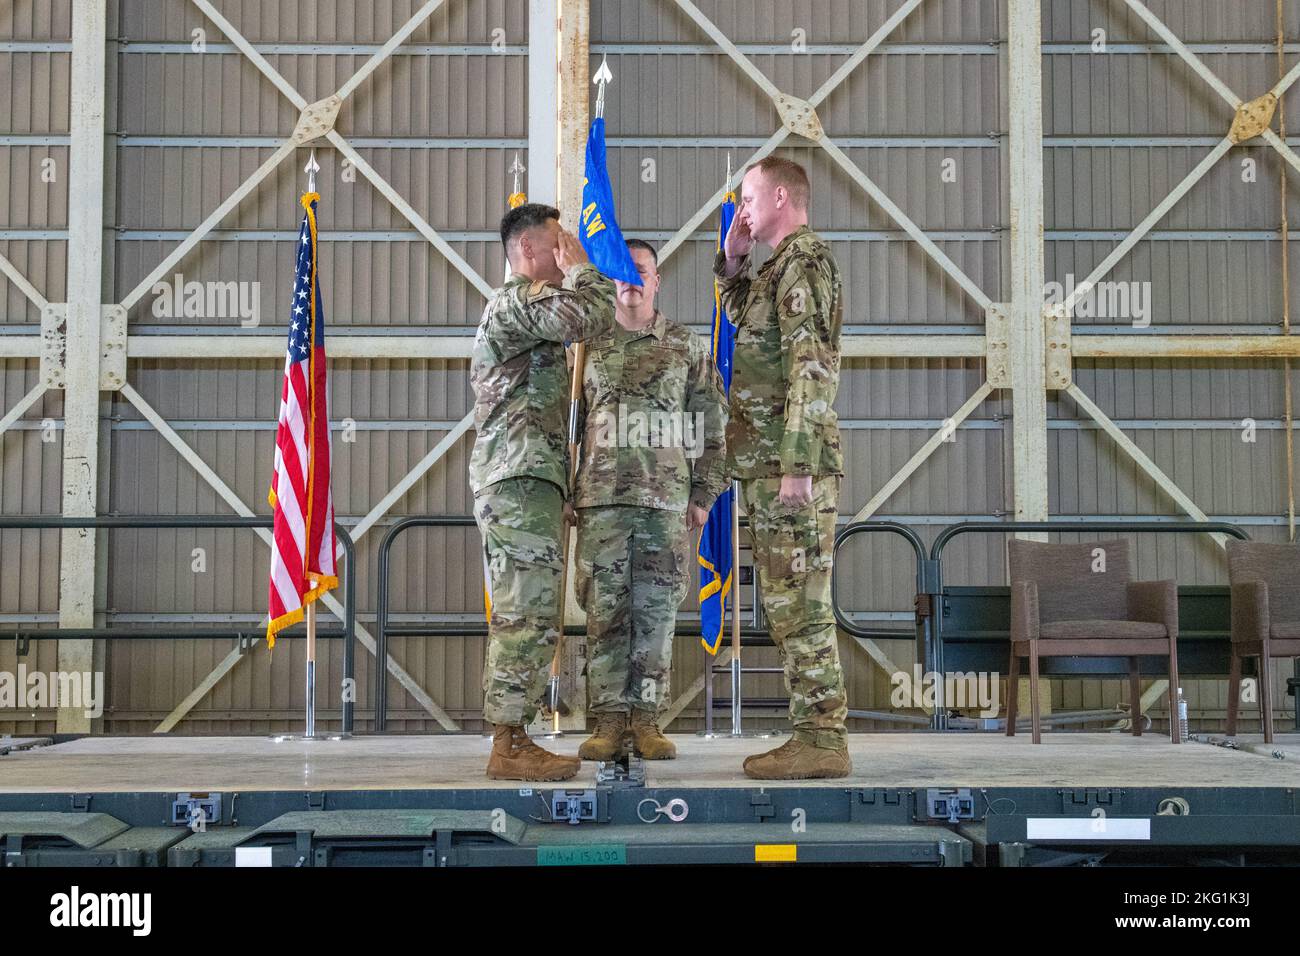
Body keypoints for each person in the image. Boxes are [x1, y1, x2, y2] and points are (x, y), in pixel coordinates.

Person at [714, 157, 851, 779]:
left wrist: (798, 464)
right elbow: (744, 318)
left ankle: (822, 740)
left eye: (746, 199)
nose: (742, 208)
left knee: (800, 603)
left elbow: (810, 365)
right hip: (769, 463)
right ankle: (812, 734)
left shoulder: (806, 262)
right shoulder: (776, 268)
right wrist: (734, 258)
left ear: (778, 195)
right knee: (785, 601)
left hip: (791, 467)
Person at [469, 203, 615, 780]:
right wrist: (583, 270)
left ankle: (514, 734)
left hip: (534, 481)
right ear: (528, 251)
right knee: (524, 613)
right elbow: (595, 316)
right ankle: (508, 742)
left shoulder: (532, 311)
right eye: (559, 243)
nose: (567, 250)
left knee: (532, 611)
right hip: (516, 480)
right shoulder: (514, 304)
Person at [571, 239, 728, 761]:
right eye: (621, 272)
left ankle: (647, 720)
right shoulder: (583, 349)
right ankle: (608, 721)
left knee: (657, 615)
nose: (630, 281)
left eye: (641, 272)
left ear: (657, 280)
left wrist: (703, 495)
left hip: (665, 506)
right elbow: (562, 426)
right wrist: (567, 491)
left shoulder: (686, 347)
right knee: (605, 614)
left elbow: (713, 427)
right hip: (600, 505)